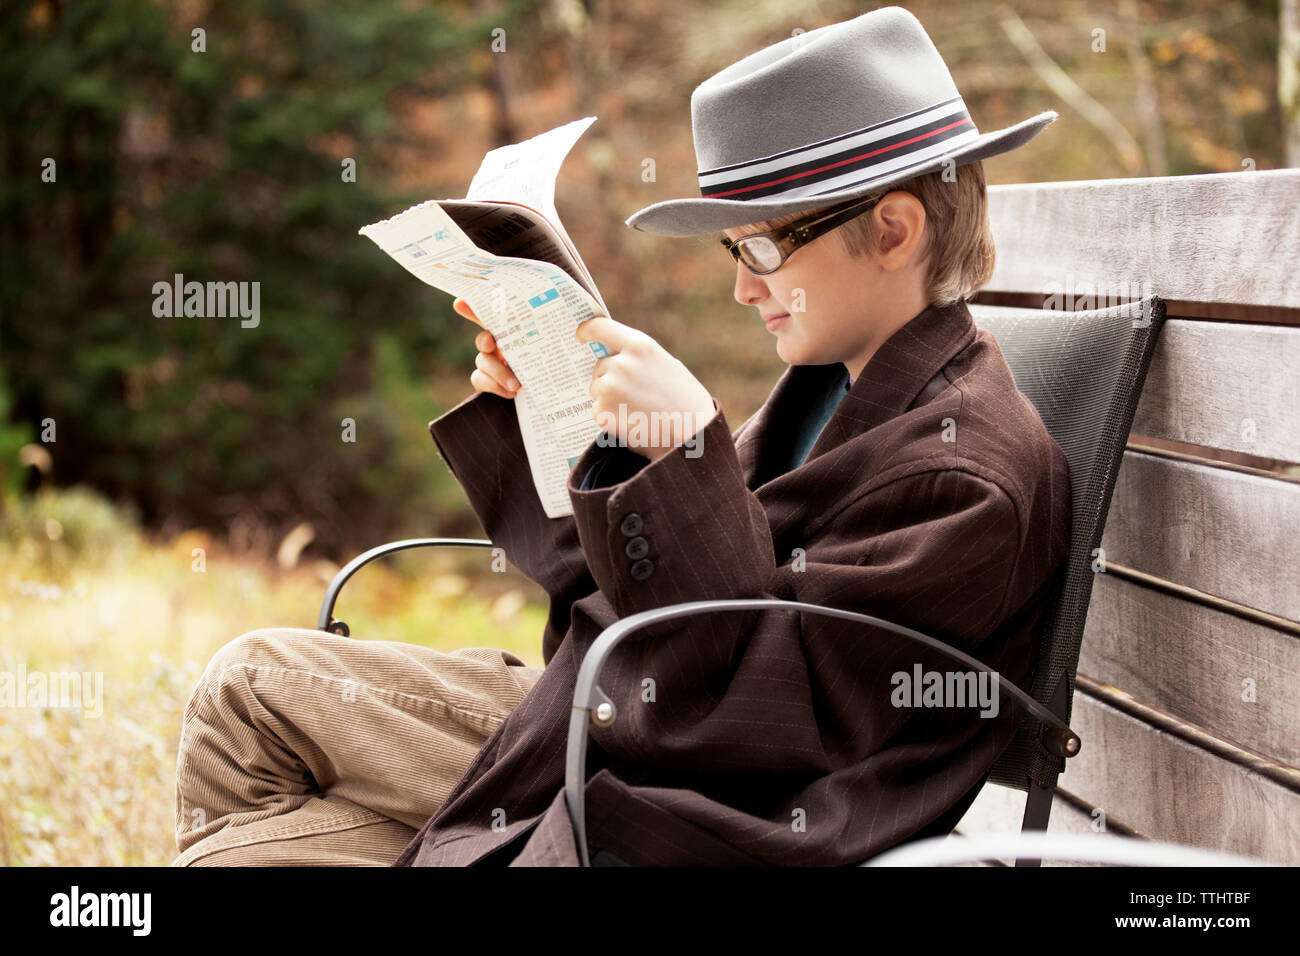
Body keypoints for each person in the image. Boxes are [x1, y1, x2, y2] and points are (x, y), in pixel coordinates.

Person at [172, 6, 1070, 867]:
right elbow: (627, 599)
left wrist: (686, 457)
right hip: (614, 723)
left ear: (892, 230)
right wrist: (556, 416)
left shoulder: (963, 479)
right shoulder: (831, 391)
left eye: (761, 248)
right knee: (247, 688)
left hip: (678, 814)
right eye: (735, 253)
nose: (743, 290)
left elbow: (751, 730)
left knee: (250, 852)